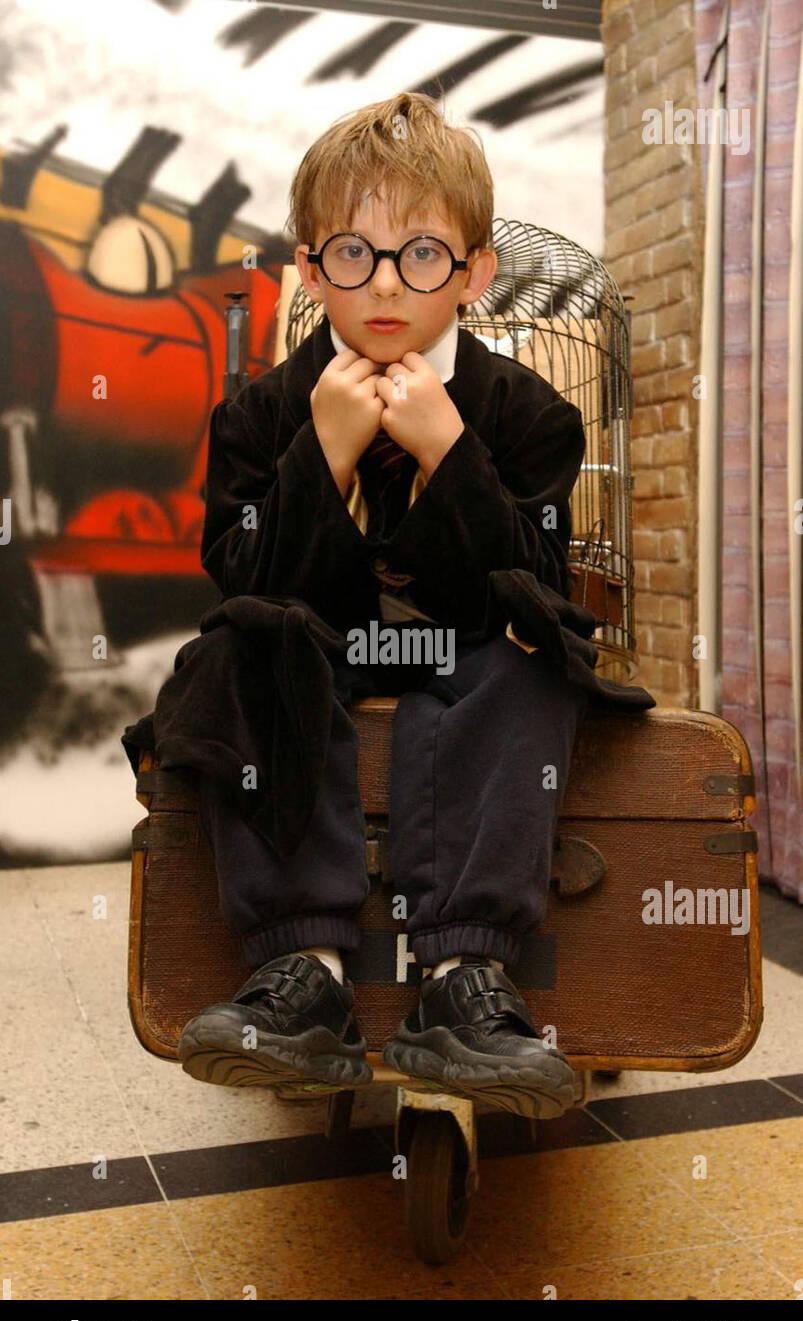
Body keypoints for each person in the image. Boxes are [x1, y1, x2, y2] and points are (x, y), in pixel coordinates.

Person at [123, 91, 655, 1120]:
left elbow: (532, 579)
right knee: (237, 645)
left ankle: (462, 977)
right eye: (351, 254)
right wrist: (320, 453)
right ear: (310, 268)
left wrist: (446, 451)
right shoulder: (259, 414)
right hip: (316, 650)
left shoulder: (529, 414)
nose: (382, 284)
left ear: (472, 272)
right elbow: (243, 576)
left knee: (536, 654)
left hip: (462, 648)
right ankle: (303, 974)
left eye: (419, 254)